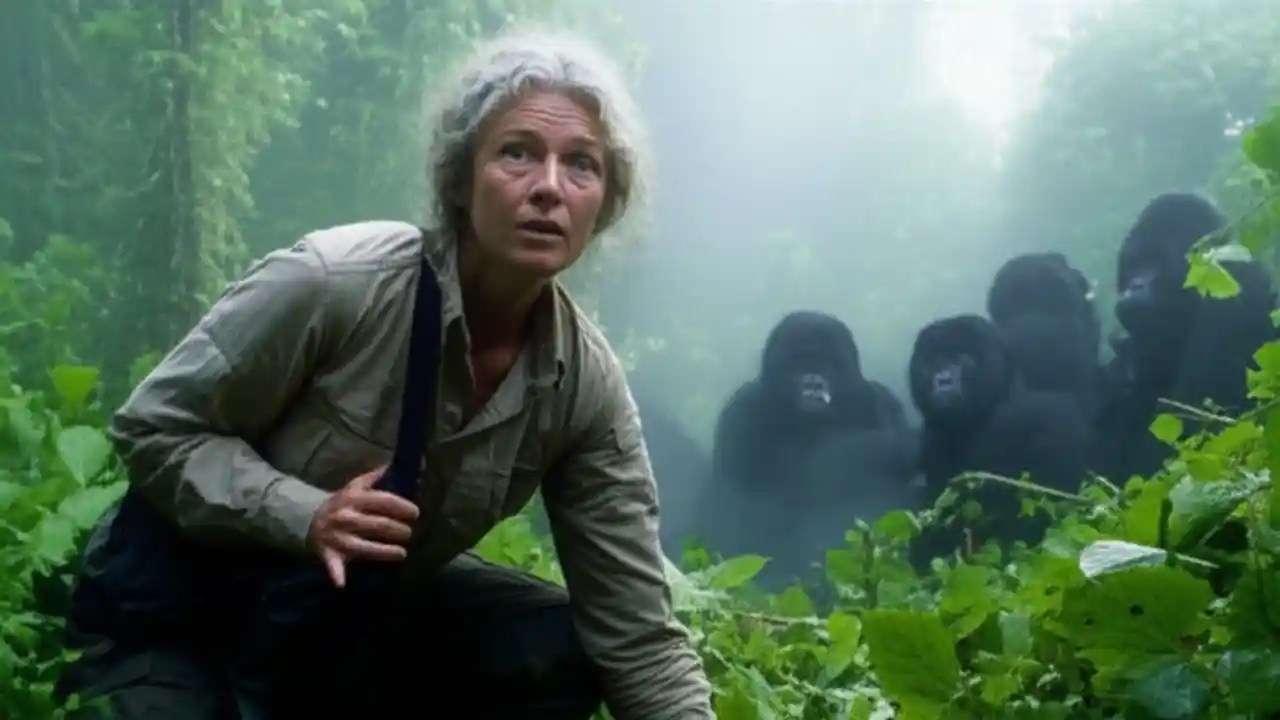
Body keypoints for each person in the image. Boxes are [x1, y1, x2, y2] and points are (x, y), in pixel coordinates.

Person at [56, 27, 714, 719]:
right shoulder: (337, 281)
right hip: (179, 603)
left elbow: (637, 635)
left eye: (582, 165)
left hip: (337, 628)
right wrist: (307, 514)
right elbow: (153, 427)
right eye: (518, 153)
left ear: (604, 204)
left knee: (556, 647)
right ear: (460, 179)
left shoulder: (581, 384)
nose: (550, 187)